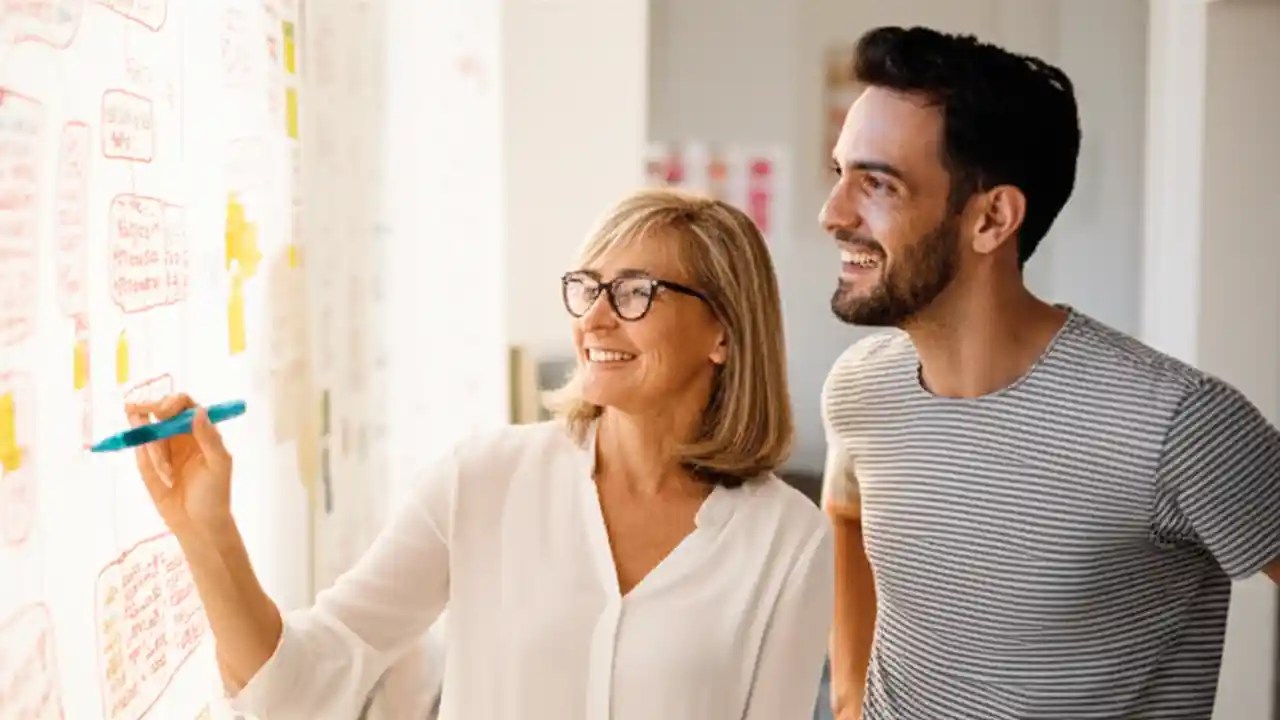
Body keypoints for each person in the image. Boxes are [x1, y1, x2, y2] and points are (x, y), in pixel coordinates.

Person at [127, 188, 834, 720]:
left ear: (723, 334)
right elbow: (295, 686)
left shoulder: (787, 541)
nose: (593, 318)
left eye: (634, 293)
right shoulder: (484, 479)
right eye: (587, 288)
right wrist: (206, 529)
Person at [818, 26, 1280, 720]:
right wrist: (851, 700)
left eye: (877, 183)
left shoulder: (1177, 424)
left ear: (992, 218)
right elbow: (847, 517)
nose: (832, 214)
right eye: (840, 173)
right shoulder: (860, 389)